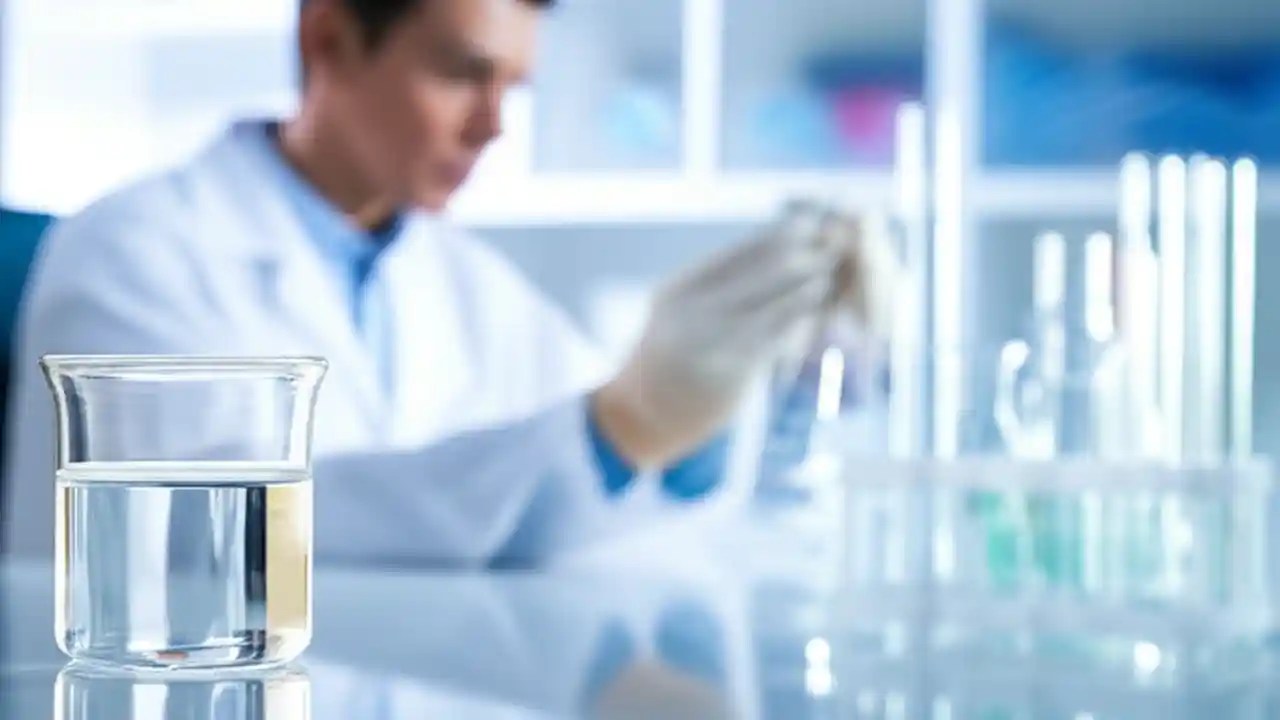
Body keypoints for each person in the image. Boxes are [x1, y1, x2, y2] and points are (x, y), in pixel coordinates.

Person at [2, 0, 894, 564]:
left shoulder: (465, 283)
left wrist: (763, 387)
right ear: (333, 40)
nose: (495, 125)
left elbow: (599, 492)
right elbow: (230, 538)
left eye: (515, 86)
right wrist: (620, 426)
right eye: (465, 73)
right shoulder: (136, 248)